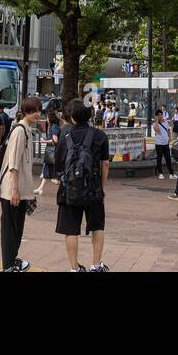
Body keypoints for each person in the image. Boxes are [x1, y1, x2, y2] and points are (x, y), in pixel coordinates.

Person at [55, 98, 111, 271]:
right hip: (93, 188)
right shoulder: (100, 135)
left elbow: (59, 164)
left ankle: (74, 268)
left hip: (70, 189)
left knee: (71, 229)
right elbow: (105, 164)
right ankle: (96, 264)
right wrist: (101, 187)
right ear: (89, 115)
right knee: (97, 226)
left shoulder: (65, 134)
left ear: (71, 116)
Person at [0, 96, 40, 271]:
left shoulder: (27, 130)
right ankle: (7, 265)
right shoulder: (19, 131)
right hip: (12, 189)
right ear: (26, 112)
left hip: (20, 188)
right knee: (10, 229)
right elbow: (13, 164)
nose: (37, 114)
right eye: (33, 111)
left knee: (17, 228)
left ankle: (13, 260)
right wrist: (15, 189)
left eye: (39, 110)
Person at [152, 109, 174, 180]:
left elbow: (168, 130)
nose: (160, 116)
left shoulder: (165, 122)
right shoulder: (155, 124)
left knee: (168, 158)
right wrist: (156, 121)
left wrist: (170, 138)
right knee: (159, 159)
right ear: (156, 116)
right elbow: (157, 130)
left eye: (161, 114)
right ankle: (160, 173)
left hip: (166, 143)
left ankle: (171, 173)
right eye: (158, 115)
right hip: (159, 144)